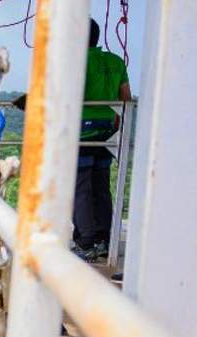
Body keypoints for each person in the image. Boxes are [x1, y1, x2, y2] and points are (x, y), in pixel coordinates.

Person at [14, 18, 131, 262]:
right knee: (100, 188)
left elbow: (59, 94)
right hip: (108, 132)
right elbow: (126, 99)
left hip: (80, 131)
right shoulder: (115, 61)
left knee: (79, 188)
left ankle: (85, 241)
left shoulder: (75, 62)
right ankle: (103, 239)